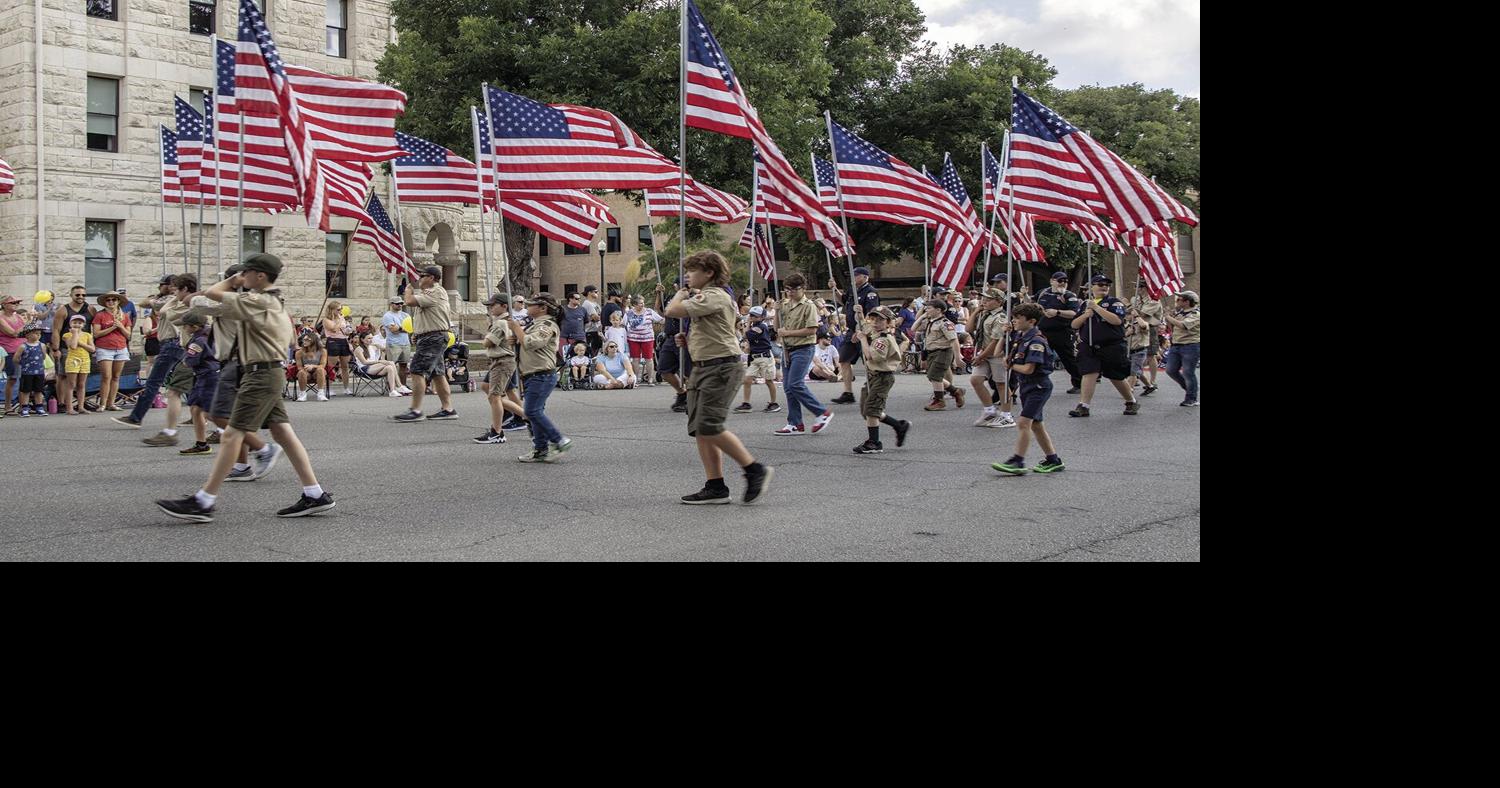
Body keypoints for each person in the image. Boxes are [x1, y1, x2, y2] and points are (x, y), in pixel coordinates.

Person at [156, 253, 334, 522]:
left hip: (260, 374)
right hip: (265, 372)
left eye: (247, 272)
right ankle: (314, 493)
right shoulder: (267, 302)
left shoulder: (260, 300)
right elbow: (212, 305)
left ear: (259, 276)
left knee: (231, 434)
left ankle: (204, 501)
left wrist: (230, 280)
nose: (243, 277)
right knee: (282, 432)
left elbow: (215, 294)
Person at [665, 250, 774, 504]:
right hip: (703, 367)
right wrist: (688, 339)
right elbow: (711, 329)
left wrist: (680, 294)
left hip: (721, 367)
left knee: (710, 425)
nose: (687, 276)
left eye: (692, 271)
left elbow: (673, 310)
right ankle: (716, 486)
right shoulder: (708, 297)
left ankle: (754, 469)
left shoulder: (715, 295)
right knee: (700, 429)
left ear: (709, 273)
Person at [185, 264, 283, 482]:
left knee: (218, 415)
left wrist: (230, 282)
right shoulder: (242, 303)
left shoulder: (234, 304)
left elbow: (195, 303)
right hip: (238, 363)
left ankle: (263, 449)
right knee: (236, 417)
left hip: (235, 363)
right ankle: (241, 465)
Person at [991, 303, 1065, 475]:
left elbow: (1028, 369)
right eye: (1014, 318)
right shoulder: (1021, 336)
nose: (1014, 321)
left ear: (1031, 321)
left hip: (1038, 386)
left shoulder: (1036, 341)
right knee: (1037, 425)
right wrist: (1004, 334)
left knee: (1024, 422)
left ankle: (1018, 460)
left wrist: (1011, 365)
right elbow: (997, 353)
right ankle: (1053, 459)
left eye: (1018, 318)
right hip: (1026, 386)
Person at [115, 273, 196, 429]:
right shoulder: (183, 300)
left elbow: (144, 304)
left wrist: (165, 294)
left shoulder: (172, 300)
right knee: (184, 383)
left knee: (154, 381)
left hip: (172, 343)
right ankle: (197, 415)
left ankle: (136, 417)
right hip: (180, 344)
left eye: (165, 285)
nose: (162, 287)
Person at [1068, 274, 1140, 417]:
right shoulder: (1084, 304)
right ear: (1092, 287)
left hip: (1111, 346)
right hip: (1089, 345)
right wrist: (1085, 315)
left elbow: (1117, 321)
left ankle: (1130, 401)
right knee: (1089, 373)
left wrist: (1096, 308)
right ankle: (1084, 406)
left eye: (1106, 285)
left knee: (1116, 376)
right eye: (1100, 284)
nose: (1104, 287)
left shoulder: (1115, 303)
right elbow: (1074, 324)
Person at [393, 266, 458, 422]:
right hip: (430, 336)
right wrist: (417, 333)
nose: (419, 279)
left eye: (422, 276)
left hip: (433, 337)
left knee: (416, 370)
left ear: (431, 278)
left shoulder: (435, 291)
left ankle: (415, 410)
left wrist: (408, 290)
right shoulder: (427, 293)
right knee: (438, 373)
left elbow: (409, 301)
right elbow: (426, 317)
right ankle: (448, 409)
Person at [772, 273, 833, 436]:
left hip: (803, 348)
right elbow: (777, 329)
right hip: (787, 349)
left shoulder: (809, 306)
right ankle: (795, 423)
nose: (790, 292)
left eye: (794, 289)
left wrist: (787, 333)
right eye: (787, 289)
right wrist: (776, 312)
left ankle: (821, 413)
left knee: (795, 384)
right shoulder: (784, 304)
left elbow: (812, 330)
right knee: (788, 387)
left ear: (803, 288)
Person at [516, 295, 572, 462]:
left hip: (541, 374)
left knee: (531, 411)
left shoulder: (547, 325)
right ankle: (540, 449)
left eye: (531, 305)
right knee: (535, 412)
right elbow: (524, 341)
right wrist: (516, 337)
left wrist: (517, 330)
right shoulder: (535, 324)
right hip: (531, 374)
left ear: (543, 308)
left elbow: (532, 343)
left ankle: (559, 440)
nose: (527, 307)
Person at [850, 307, 911, 454]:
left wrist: (863, 339)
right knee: (867, 409)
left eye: (880, 320)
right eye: (874, 319)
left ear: (888, 322)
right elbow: (864, 326)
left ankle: (874, 443)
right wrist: (859, 313)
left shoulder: (883, 339)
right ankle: (898, 425)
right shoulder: (875, 332)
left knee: (872, 409)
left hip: (882, 377)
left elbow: (871, 356)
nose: (876, 323)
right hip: (872, 376)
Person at [474, 292, 526, 444]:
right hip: (500, 361)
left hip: (502, 361)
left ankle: (497, 432)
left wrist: (487, 332)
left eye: (493, 305)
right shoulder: (501, 321)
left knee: (495, 396)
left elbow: (488, 342)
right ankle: (521, 415)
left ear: (504, 306)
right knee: (487, 387)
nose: (490, 308)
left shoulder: (500, 323)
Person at [828, 266, 880, 405]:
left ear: (865, 277)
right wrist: (835, 289)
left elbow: (872, 316)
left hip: (865, 332)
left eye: (856, 275)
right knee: (843, 359)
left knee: (869, 361)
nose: (853, 278)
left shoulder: (870, 293)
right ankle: (847, 392)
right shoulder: (853, 290)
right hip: (851, 330)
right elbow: (843, 300)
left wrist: (862, 331)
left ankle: (873, 391)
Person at [968, 288, 1017, 429]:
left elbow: (995, 341)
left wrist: (980, 357)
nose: (984, 301)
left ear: (999, 302)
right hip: (984, 353)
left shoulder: (1001, 317)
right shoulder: (985, 314)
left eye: (989, 299)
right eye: (984, 298)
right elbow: (968, 329)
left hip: (997, 353)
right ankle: (989, 410)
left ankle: (1007, 415)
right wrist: (976, 312)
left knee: (1001, 384)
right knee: (975, 380)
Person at [47, 286, 95, 414]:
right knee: (63, 376)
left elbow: (94, 328)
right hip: (66, 347)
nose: (81, 297)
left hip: (84, 349)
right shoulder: (63, 310)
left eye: (83, 295)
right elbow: (56, 330)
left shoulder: (90, 309)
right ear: (71, 295)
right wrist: (55, 348)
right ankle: (62, 403)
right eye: (77, 295)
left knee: (81, 380)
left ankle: (80, 404)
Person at [176, 314, 220, 455]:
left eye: (186, 325)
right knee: (196, 409)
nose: (184, 328)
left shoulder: (199, 341)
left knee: (212, 413)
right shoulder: (212, 334)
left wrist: (185, 360)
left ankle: (246, 440)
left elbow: (190, 361)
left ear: (194, 326)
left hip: (208, 377)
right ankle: (201, 444)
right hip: (204, 376)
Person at [1036, 271, 1083, 393]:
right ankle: (1039, 383)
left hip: (1062, 332)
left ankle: (1079, 383)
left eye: (1065, 281)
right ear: (1052, 281)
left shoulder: (1069, 296)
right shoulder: (1043, 293)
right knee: (1039, 357)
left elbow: (1074, 313)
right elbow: (1033, 303)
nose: (1063, 283)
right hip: (1043, 331)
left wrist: (1057, 312)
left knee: (1068, 358)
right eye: (1060, 281)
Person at [915, 301, 965, 411]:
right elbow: (914, 328)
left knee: (934, 376)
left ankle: (939, 401)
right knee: (932, 376)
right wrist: (923, 316)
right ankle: (955, 391)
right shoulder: (930, 322)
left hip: (943, 352)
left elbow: (954, 340)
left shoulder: (945, 323)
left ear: (938, 310)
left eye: (929, 308)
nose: (926, 310)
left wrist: (957, 357)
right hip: (931, 352)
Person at [734, 305, 781, 413]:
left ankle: (773, 403)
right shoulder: (754, 326)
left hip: (765, 357)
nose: (752, 317)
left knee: (769, 381)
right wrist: (749, 323)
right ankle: (746, 403)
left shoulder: (762, 327)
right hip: (754, 357)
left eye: (755, 316)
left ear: (762, 317)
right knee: (747, 380)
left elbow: (746, 335)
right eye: (751, 315)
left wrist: (748, 323)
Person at [91, 291, 131, 411]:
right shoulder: (100, 315)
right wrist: (112, 327)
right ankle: (103, 404)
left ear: (118, 301)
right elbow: (96, 334)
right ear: (105, 302)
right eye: (108, 300)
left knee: (116, 377)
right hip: (104, 348)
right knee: (106, 376)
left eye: (114, 300)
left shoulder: (125, 316)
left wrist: (120, 326)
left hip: (121, 347)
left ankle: (111, 403)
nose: (111, 302)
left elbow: (128, 335)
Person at [655, 281, 692, 412]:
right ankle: (682, 393)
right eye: (677, 284)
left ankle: (692, 400)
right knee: (664, 370)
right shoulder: (671, 297)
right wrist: (659, 294)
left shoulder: (691, 297)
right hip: (670, 338)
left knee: (688, 372)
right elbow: (661, 310)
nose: (677, 286)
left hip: (685, 337)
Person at [1163, 290, 1200, 407]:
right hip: (1176, 345)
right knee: (1170, 370)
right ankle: (1190, 387)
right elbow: (1171, 328)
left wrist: (1168, 317)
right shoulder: (1179, 313)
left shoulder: (1196, 314)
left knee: (1188, 372)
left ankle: (1191, 398)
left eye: (1179, 299)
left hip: (1191, 346)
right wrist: (1169, 317)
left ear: (1187, 301)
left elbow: (1183, 325)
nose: (1177, 301)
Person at [1129, 280, 1164, 396]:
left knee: (1150, 354)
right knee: (1136, 353)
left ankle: (1152, 380)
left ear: (1145, 288)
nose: (1136, 289)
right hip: (1135, 327)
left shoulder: (1154, 301)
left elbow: (1143, 314)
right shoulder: (1135, 299)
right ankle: (1139, 377)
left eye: (1138, 286)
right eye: (1136, 286)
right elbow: (1130, 313)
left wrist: (1129, 306)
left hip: (1150, 328)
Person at [625, 295, 663, 386]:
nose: (642, 305)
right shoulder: (629, 313)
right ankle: (635, 379)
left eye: (643, 303)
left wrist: (669, 319)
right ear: (634, 304)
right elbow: (623, 324)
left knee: (648, 358)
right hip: (633, 339)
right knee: (635, 359)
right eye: (640, 303)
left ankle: (650, 378)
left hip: (647, 338)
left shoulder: (649, 312)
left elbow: (661, 320)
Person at [11, 324, 48, 416]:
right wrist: (22, 364)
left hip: (39, 371)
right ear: (27, 335)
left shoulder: (42, 345)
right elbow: (15, 358)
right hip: (27, 372)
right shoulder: (23, 346)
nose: (38, 335)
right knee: (25, 390)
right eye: (35, 333)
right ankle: (24, 407)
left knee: (38, 390)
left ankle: (39, 407)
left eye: (39, 333)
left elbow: (43, 356)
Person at [353, 332, 406, 397]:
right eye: (369, 338)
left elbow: (386, 351)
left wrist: (379, 346)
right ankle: (400, 386)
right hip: (364, 369)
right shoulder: (359, 349)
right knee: (391, 363)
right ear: (362, 339)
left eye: (371, 338)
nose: (371, 340)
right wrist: (380, 361)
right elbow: (364, 362)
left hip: (374, 368)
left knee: (389, 367)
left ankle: (392, 391)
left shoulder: (373, 347)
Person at [61, 314, 94, 414]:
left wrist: (81, 343)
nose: (77, 325)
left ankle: (81, 406)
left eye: (80, 323)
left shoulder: (87, 335)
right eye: (74, 322)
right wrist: (75, 334)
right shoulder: (67, 335)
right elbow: (73, 346)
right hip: (73, 360)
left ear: (83, 324)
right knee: (71, 384)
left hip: (85, 360)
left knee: (81, 384)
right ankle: (69, 408)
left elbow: (92, 349)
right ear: (70, 324)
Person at [1, 294, 27, 413]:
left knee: (24, 378)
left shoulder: (19, 317)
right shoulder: (1, 318)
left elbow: (26, 331)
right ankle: (7, 406)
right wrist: (27, 325)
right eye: (13, 303)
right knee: (13, 378)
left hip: (24, 349)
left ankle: (23, 406)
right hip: (10, 350)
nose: (16, 304)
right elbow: (13, 333)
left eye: (17, 302)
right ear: (4, 305)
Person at [322, 301, 354, 396]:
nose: (340, 311)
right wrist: (340, 319)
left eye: (341, 309)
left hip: (343, 341)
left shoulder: (342, 318)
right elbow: (334, 329)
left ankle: (346, 388)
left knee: (345, 366)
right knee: (331, 366)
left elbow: (345, 330)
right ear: (332, 310)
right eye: (338, 309)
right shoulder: (326, 320)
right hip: (333, 341)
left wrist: (348, 329)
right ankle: (328, 387)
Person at [381, 297, 412, 380]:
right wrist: (404, 329)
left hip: (405, 343)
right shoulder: (388, 315)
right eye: (397, 303)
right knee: (391, 366)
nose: (400, 305)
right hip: (393, 344)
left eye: (401, 303)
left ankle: (403, 386)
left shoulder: (406, 315)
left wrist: (400, 328)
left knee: (404, 366)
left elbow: (411, 328)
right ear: (391, 304)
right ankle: (392, 387)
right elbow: (393, 330)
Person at [293, 334, 328, 402]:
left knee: (320, 369)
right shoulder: (299, 352)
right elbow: (299, 367)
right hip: (305, 372)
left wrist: (312, 366)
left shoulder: (322, 351)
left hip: (317, 372)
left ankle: (321, 394)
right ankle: (303, 394)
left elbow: (323, 365)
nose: (304, 341)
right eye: (304, 340)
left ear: (314, 341)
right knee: (301, 372)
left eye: (307, 340)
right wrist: (306, 368)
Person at [582, 284, 603, 356]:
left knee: (597, 352)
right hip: (590, 331)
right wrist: (602, 317)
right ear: (589, 293)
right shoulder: (587, 303)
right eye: (596, 292)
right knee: (592, 353)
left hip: (596, 330)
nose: (598, 293)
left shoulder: (595, 303)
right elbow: (596, 317)